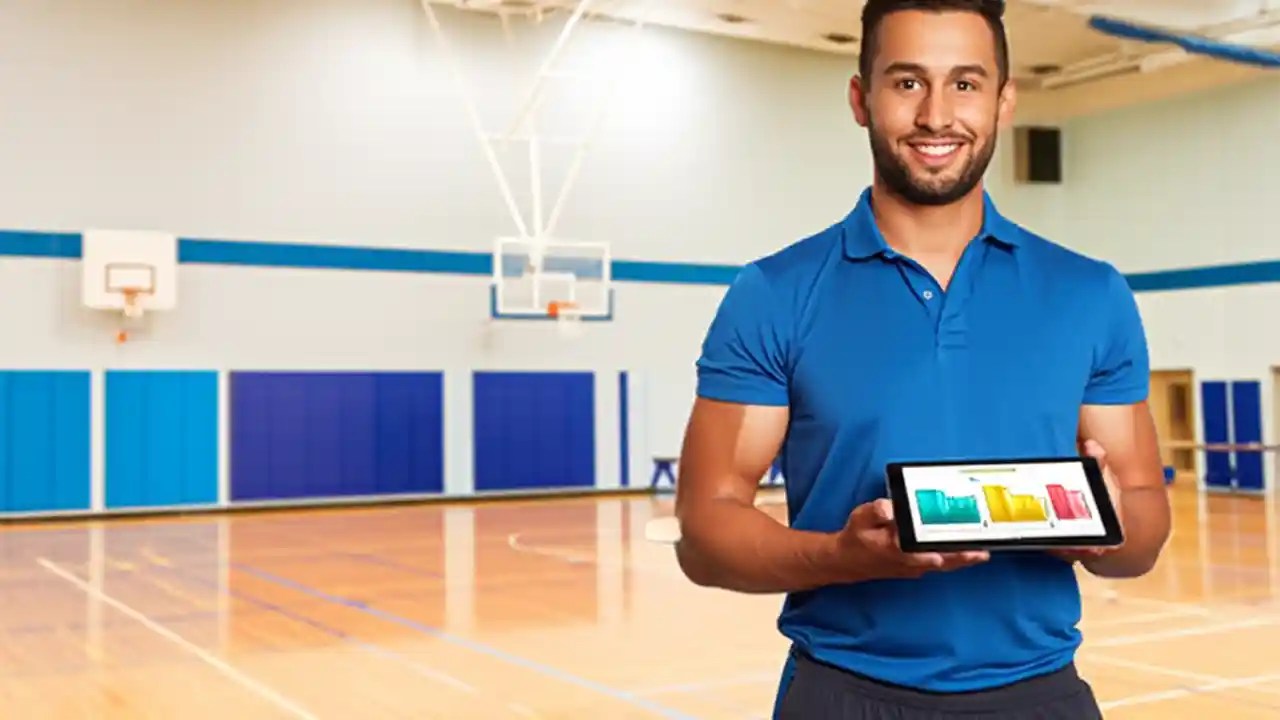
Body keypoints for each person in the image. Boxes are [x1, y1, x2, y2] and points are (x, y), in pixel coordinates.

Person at [672, 0, 1172, 717]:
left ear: (1004, 101)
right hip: (843, 693)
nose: (938, 115)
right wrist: (839, 557)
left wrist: (1108, 528)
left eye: (965, 84)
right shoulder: (773, 294)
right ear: (860, 98)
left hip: (1040, 692)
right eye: (908, 82)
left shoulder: (1090, 293)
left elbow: (1145, 524)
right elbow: (706, 532)